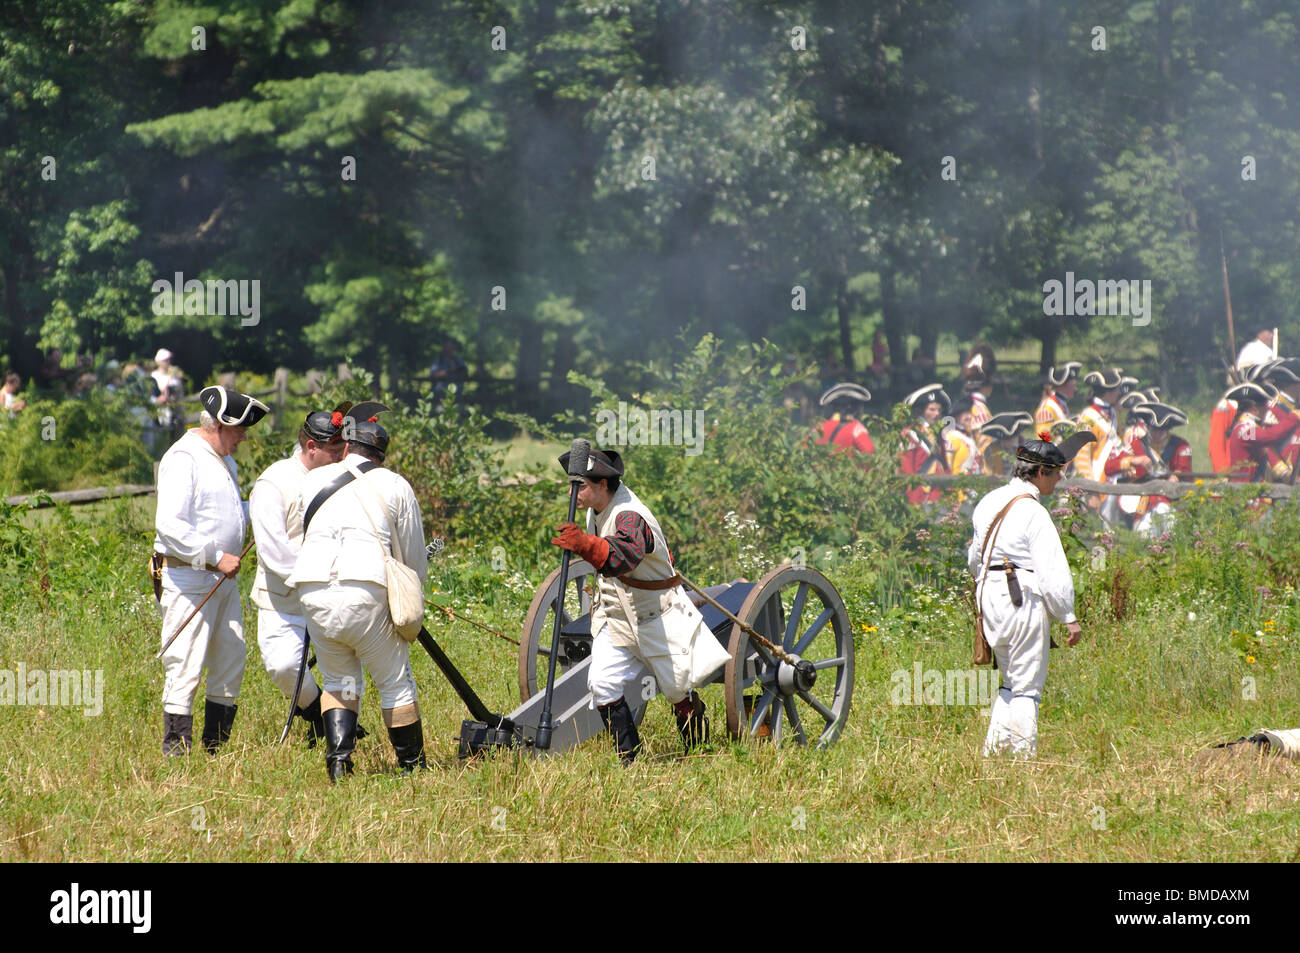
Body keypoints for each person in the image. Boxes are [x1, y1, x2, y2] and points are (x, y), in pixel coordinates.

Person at [549, 448, 731, 764]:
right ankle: (629, 760)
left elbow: (624, 556)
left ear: (603, 484)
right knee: (602, 684)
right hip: (616, 616)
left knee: (678, 693)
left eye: (581, 485)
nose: (573, 493)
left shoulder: (630, 515)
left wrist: (585, 544)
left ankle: (696, 753)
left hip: (657, 614)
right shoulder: (596, 510)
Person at [288, 413, 429, 781]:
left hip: (313, 589)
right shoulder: (395, 484)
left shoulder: (313, 480)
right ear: (380, 454)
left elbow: (298, 532)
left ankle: (339, 765)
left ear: (347, 446)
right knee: (395, 682)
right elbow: (413, 561)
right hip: (366, 589)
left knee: (338, 681)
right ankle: (412, 769)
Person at [154, 385, 269, 756]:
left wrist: (266, 507)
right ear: (219, 425)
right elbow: (169, 526)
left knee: (231, 658)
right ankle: (177, 752)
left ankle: (215, 749)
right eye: (239, 430)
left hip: (220, 579)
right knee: (185, 662)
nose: (243, 437)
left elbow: (228, 512)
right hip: (189, 576)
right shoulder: (184, 458)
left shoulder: (222, 458)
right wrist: (215, 555)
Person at [967, 432, 1089, 758]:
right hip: (1020, 599)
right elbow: (1051, 571)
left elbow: (974, 559)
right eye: (1056, 472)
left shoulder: (988, 502)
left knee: (1011, 682)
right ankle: (1023, 764)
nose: (1059, 479)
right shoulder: (1035, 513)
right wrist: (1068, 617)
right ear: (1039, 473)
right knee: (1027, 688)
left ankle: (994, 754)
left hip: (989, 599)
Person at [249, 404, 362, 745]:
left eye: (344, 450)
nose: (341, 458)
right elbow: (274, 552)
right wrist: (315, 576)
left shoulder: (345, 479)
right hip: (284, 596)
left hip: (334, 591)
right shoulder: (273, 482)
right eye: (333, 451)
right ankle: (316, 715)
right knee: (284, 667)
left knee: (343, 669)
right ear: (311, 447)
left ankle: (341, 730)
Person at [1106, 402, 1192, 534]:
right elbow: (1109, 467)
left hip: (1171, 500)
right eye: (1153, 429)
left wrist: (1177, 476)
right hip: (1144, 502)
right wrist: (1133, 460)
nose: (1156, 434)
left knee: (1175, 530)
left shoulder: (1180, 446)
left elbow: (1186, 472)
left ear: (1167, 429)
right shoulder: (1136, 444)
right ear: (1147, 426)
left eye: (1161, 430)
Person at [1224, 382, 1299, 482]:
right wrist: (1294, 417)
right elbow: (1271, 436)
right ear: (1254, 409)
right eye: (1264, 406)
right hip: (1243, 489)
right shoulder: (1245, 429)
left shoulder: (1249, 427)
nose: (1268, 409)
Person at [900, 384, 951, 506]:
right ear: (920, 411)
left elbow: (944, 465)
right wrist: (914, 501)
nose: (936, 414)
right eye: (932, 409)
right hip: (920, 496)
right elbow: (907, 470)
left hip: (940, 495)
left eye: (939, 410)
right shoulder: (909, 434)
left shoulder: (938, 434)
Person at [815, 382, 875, 455]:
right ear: (855, 408)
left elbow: (804, 451)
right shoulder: (856, 429)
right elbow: (869, 453)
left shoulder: (818, 428)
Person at [980, 411, 1034, 477]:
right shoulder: (991, 449)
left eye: (1008, 440)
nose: (1004, 443)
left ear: (1015, 436)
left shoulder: (1030, 448)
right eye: (1002, 440)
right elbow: (989, 471)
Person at [1034, 362, 1080, 432]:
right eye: (1073, 386)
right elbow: (1043, 440)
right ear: (1062, 386)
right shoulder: (1046, 409)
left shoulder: (1061, 405)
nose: (1076, 389)